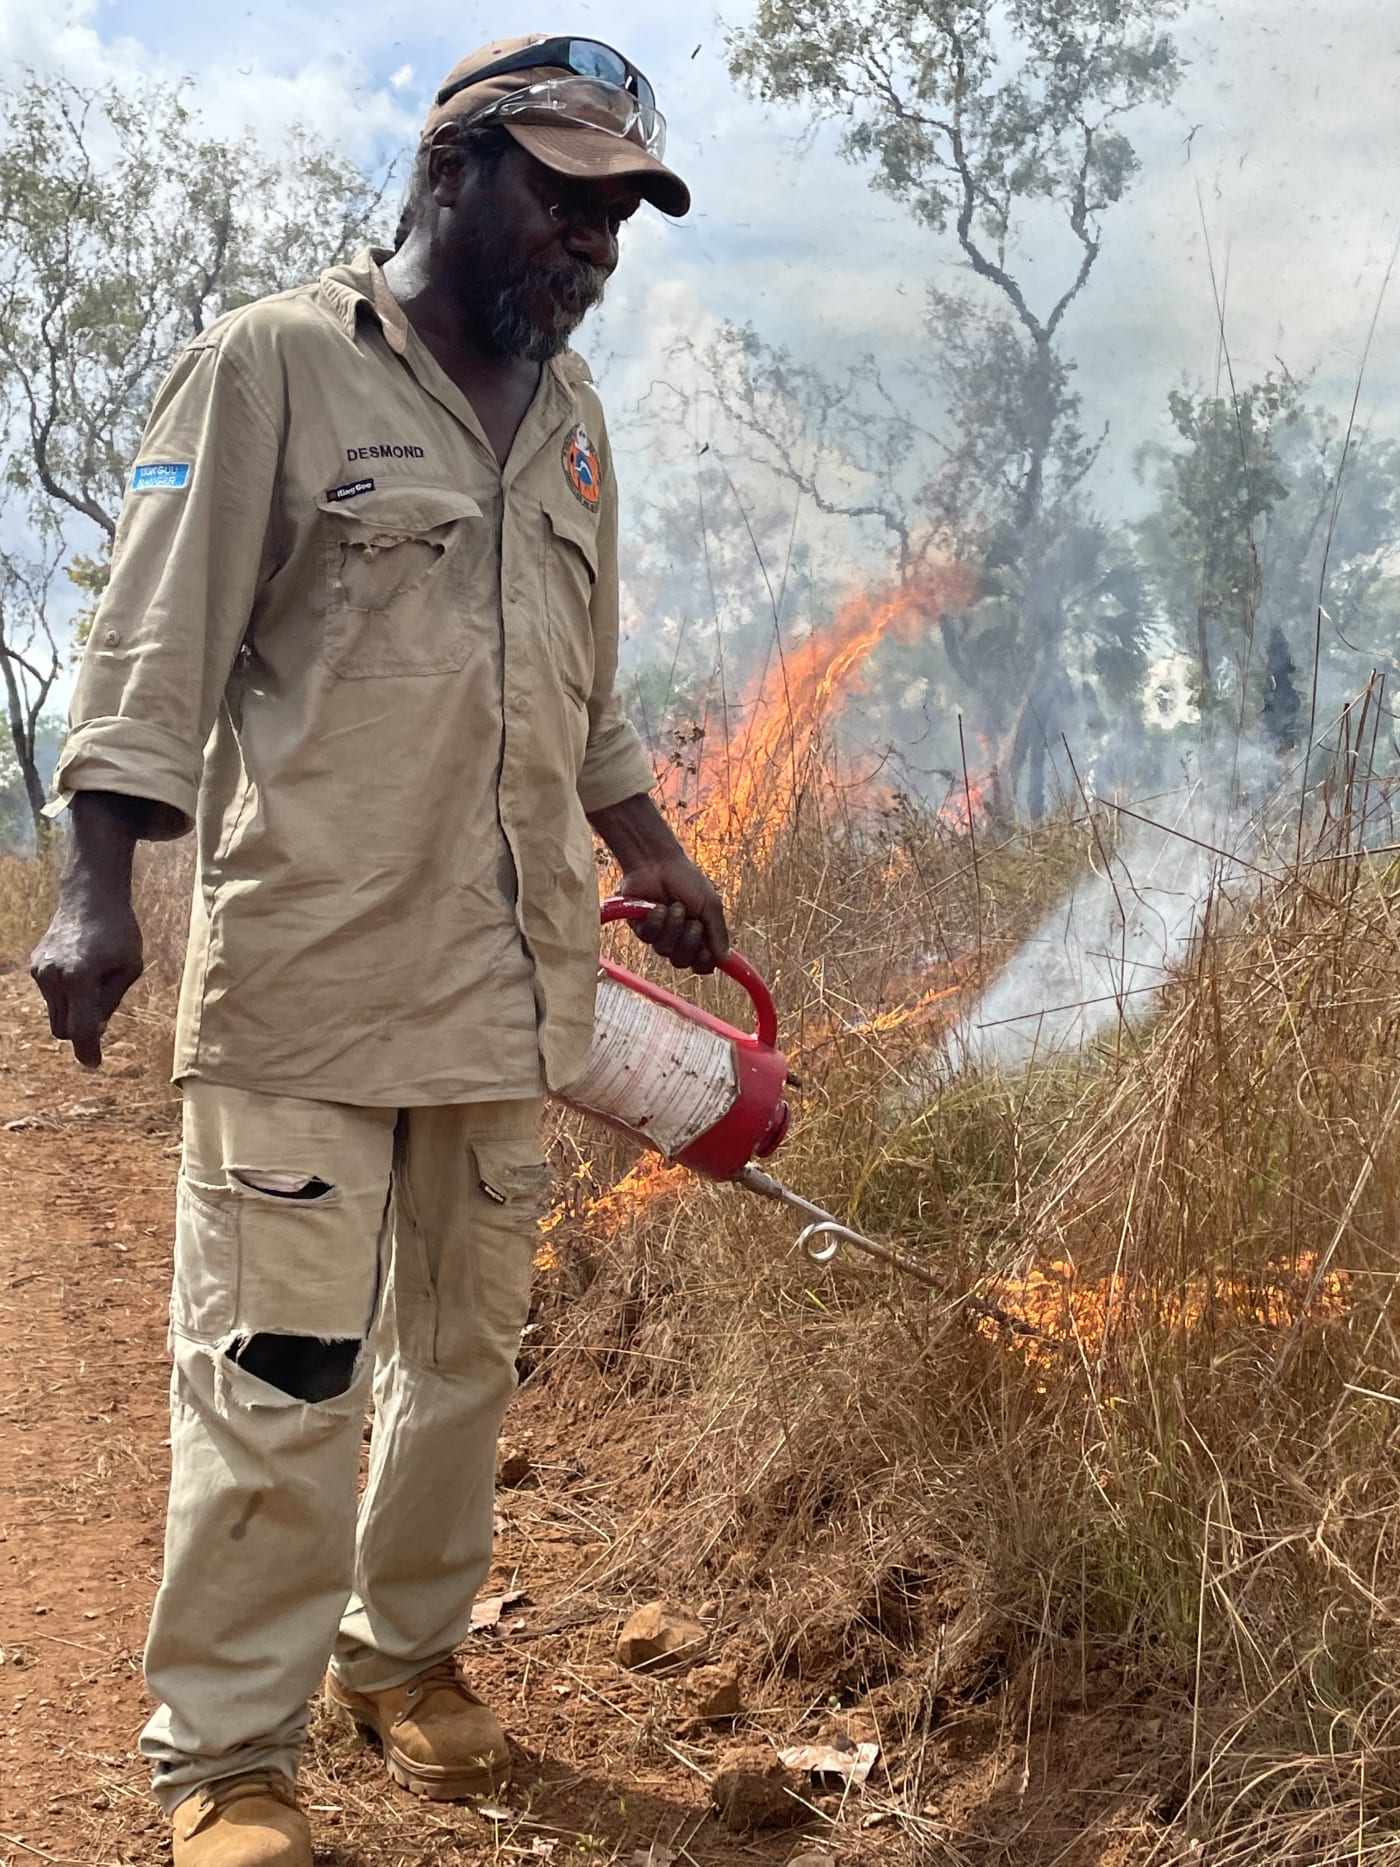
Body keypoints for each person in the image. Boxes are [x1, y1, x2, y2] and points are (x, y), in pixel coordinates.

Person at [30, 35, 727, 1867]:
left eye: (616, 218)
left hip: (510, 996)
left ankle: (402, 1663)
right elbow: (145, 649)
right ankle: (231, 1761)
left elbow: (581, 700)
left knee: (461, 1361)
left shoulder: (573, 428)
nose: (591, 247)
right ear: (451, 172)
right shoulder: (272, 367)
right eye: (562, 199)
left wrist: (654, 849)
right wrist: (96, 887)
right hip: (316, 982)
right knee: (280, 1374)